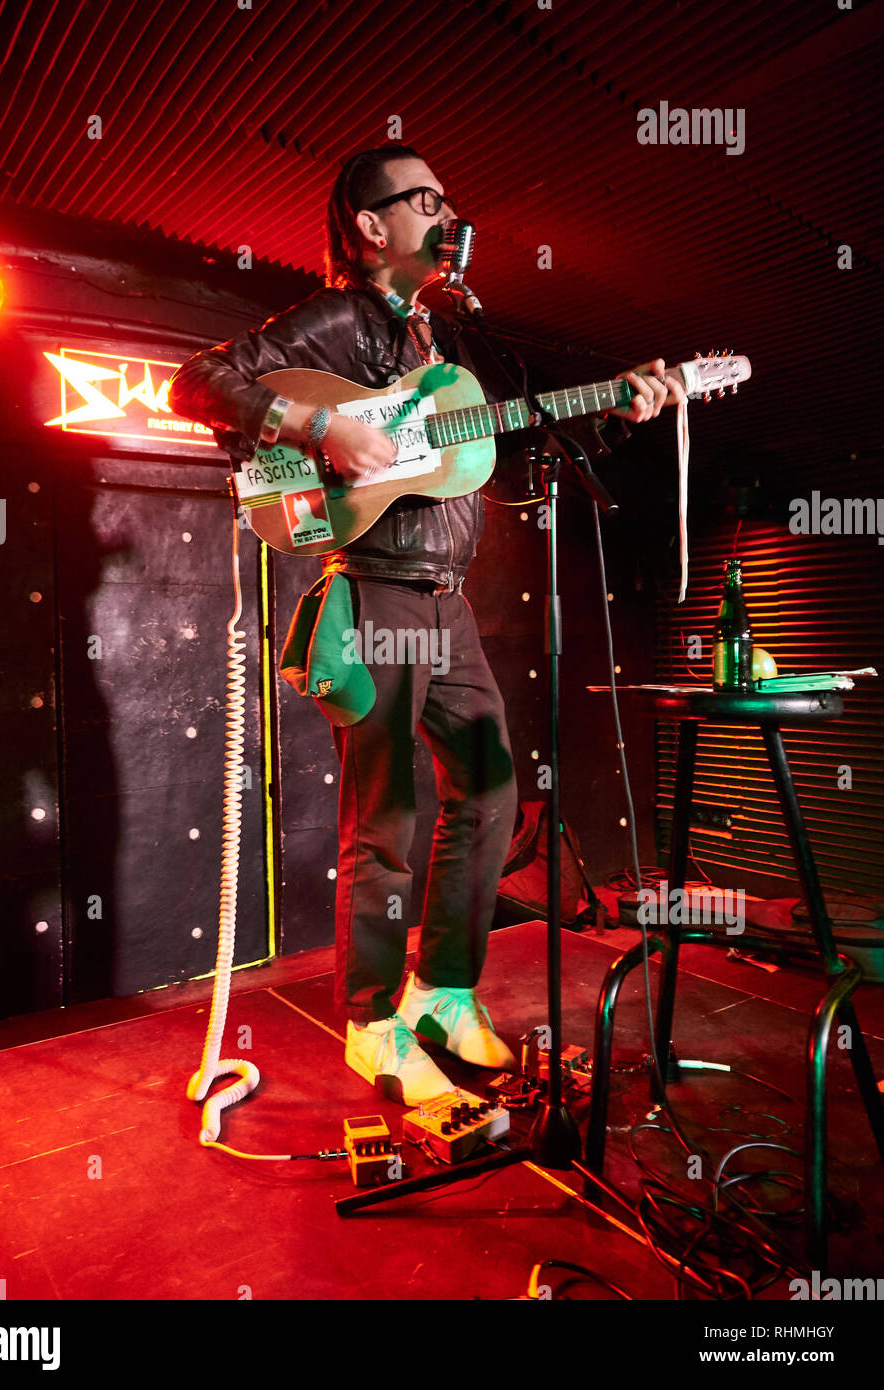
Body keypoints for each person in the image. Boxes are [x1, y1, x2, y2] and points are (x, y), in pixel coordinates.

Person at [168, 145, 683, 1105]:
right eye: (426, 200)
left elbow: (510, 449)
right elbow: (196, 382)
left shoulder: (432, 349)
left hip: (445, 600)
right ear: (371, 226)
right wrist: (322, 427)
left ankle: (443, 992)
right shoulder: (333, 319)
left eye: (449, 198)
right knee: (385, 819)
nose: (450, 214)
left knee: (490, 790)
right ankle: (369, 1023)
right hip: (370, 594)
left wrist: (617, 411)